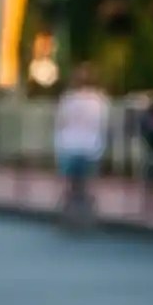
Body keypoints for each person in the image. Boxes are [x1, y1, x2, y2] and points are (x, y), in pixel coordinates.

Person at [52, 64, 109, 231]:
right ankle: (87, 217)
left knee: (70, 185)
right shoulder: (100, 101)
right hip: (91, 147)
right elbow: (102, 124)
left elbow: (60, 122)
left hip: (69, 145)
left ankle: (68, 216)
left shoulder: (68, 100)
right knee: (87, 185)